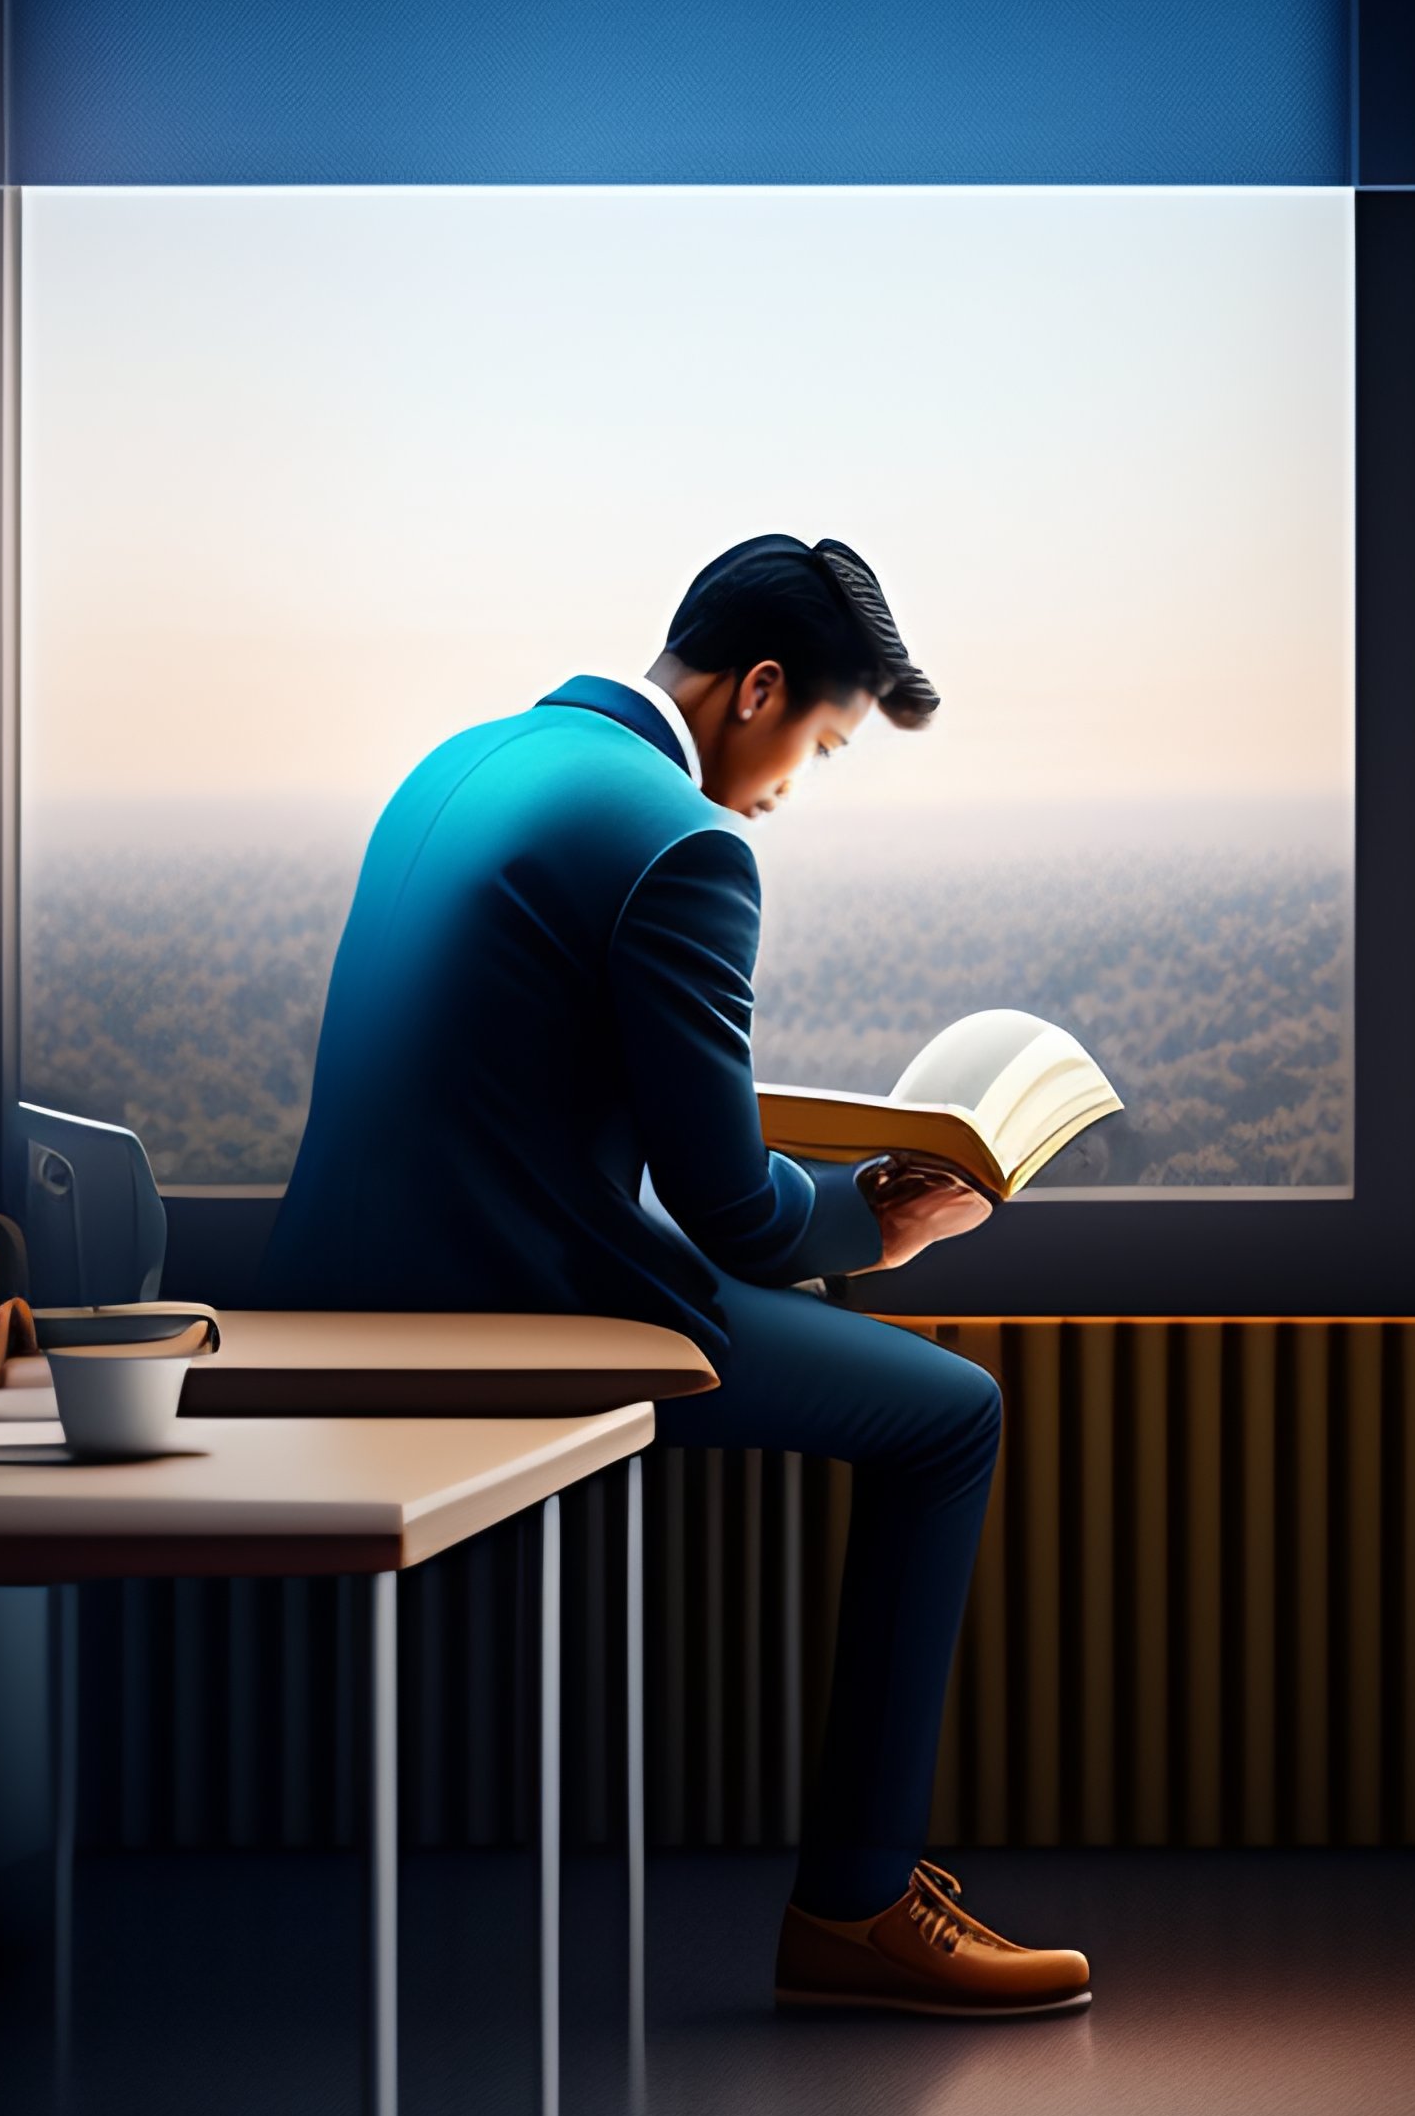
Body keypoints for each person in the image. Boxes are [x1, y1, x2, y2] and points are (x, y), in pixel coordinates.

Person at [262, 533, 1090, 2018]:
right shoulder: (686, 841)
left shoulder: (464, 763)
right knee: (954, 1416)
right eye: (819, 745)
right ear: (759, 689)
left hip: (332, 1279)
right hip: (512, 1303)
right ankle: (859, 1906)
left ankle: (861, 1898)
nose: (793, 785)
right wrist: (882, 1226)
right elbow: (734, 1217)